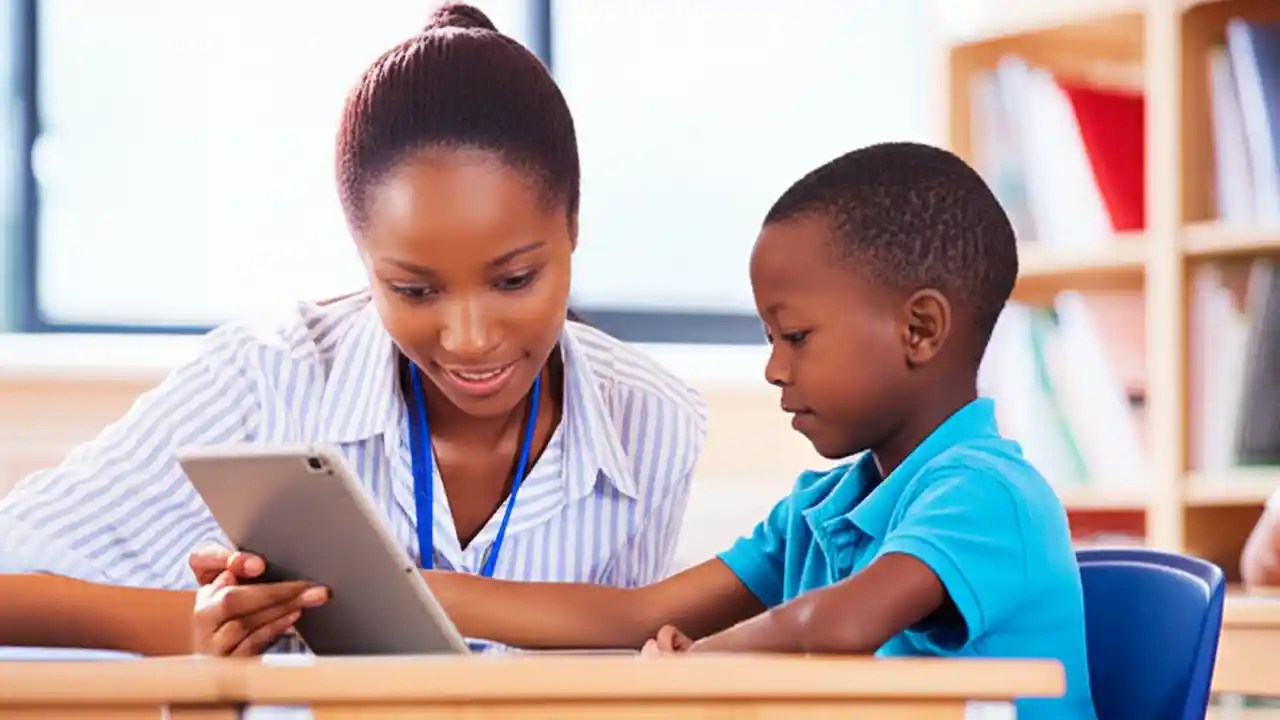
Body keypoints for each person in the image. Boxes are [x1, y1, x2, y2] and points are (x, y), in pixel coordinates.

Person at [197, 141, 1098, 719]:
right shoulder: (829, 504)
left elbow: (841, 623)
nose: (774, 368)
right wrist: (384, 581)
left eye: (795, 337)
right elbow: (636, 613)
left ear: (921, 330)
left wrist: (692, 668)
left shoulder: (987, 490)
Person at [0, 2, 706, 656]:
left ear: (573, 226)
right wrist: (190, 625)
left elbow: (616, 671)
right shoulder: (266, 378)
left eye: (514, 279)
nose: (469, 338)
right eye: (414, 289)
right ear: (362, 260)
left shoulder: (652, 420)